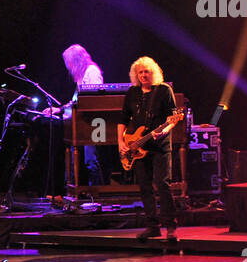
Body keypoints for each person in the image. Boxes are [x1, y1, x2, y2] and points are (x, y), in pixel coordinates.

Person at [119, 56, 180, 241]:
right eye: (140, 72)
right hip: (136, 147)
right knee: (144, 187)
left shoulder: (164, 90)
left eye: (147, 72)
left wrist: (165, 130)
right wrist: (121, 142)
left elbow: (174, 117)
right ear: (136, 75)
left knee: (162, 183)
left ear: (153, 73)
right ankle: (152, 226)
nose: (144, 75)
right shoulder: (132, 92)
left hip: (160, 146)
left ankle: (171, 226)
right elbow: (123, 119)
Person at [62, 44, 107, 185]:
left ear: (76, 61)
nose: (68, 67)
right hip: (86, 122)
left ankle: (97, 192)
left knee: (91, 159)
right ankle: (83, 191)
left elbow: (94, 98)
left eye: (69, 62)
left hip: (95, 122)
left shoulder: (92, 71)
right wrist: (61, 109)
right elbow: (77, 100)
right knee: (85, 158)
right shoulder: (81, 76)